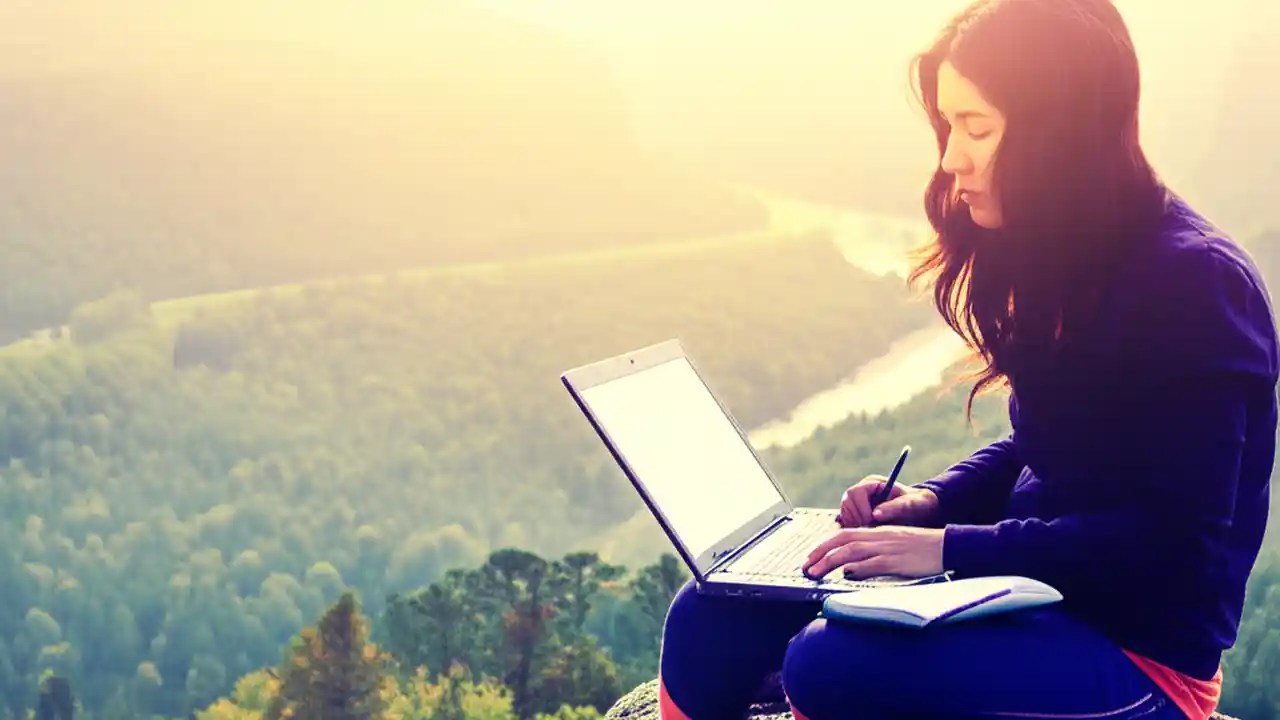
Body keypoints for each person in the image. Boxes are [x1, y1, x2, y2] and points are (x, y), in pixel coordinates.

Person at [656, 0, 1279, 719]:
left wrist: (947, 549)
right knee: (712, 613)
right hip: (1017, 596)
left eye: (976, 128)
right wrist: (933, 502)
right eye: (948, 126)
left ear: (1063, 130)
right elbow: (1044, 448)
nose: (952, 158)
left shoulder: (1197, 285)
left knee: (829, 664)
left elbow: (1171, 542)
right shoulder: (1065, 251)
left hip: (1135, 652)